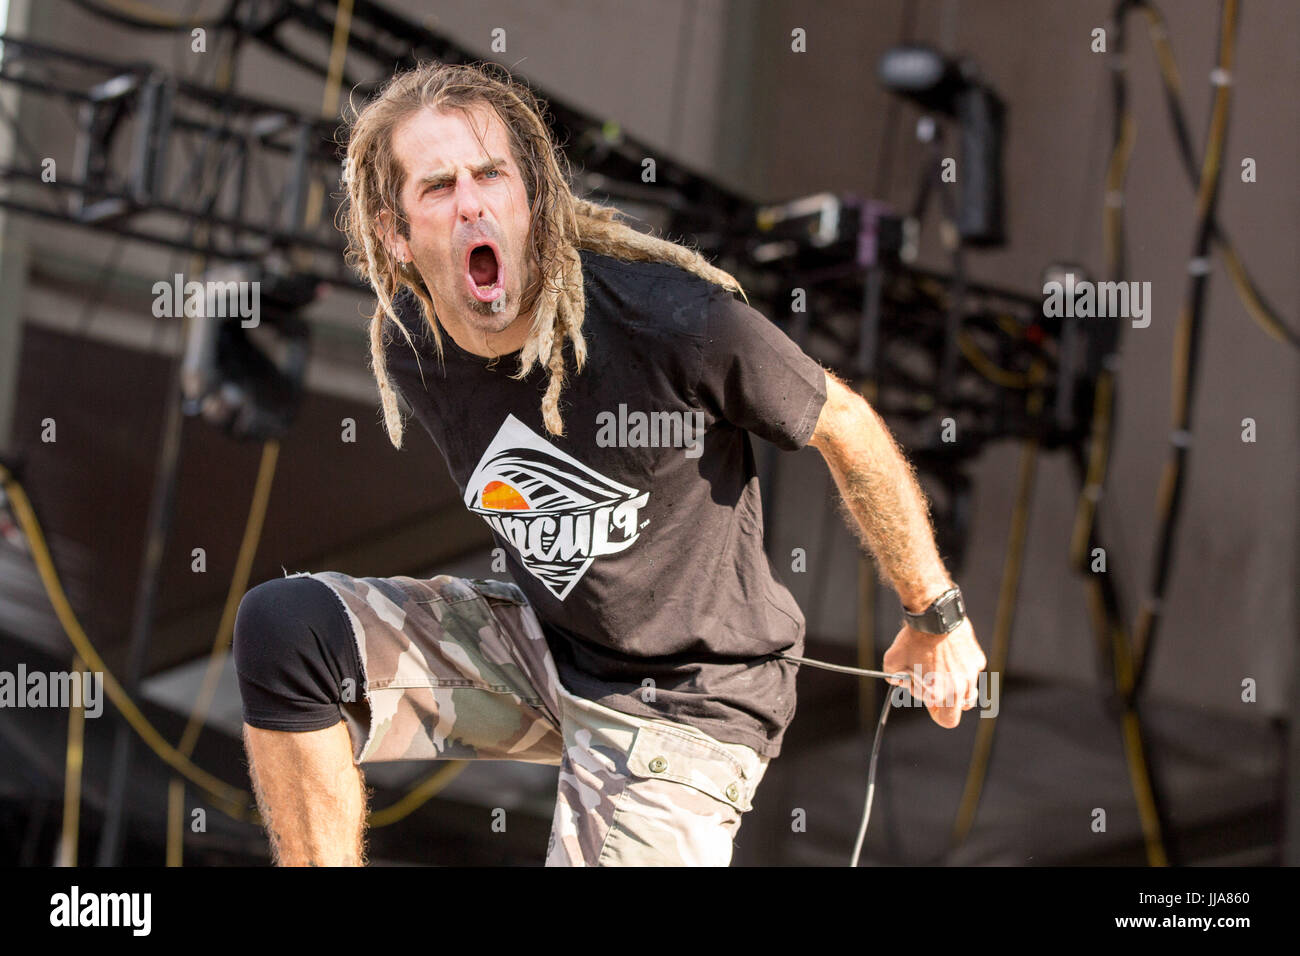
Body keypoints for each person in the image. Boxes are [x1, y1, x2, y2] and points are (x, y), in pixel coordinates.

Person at [233, 60, 986, 867]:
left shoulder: (673, 322)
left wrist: (932, 614)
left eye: (492, 175)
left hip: (693, 703)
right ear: (395, 232)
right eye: (439, 187)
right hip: (549, 652)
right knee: (286, 633)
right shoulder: (412, 345)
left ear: (529, 197)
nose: (472, 204)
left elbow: (849, 426)